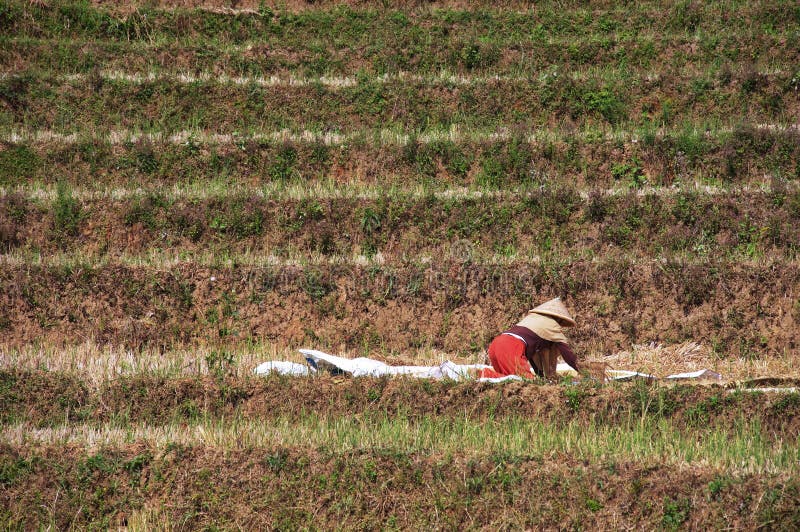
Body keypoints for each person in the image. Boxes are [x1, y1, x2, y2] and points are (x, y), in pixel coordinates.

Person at [479, 297, 581, 381]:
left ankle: (488, 375)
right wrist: (582, 371)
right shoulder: (552, 325)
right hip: (510, 347)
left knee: (507, 380)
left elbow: (533, 356)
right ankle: (486, 374)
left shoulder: (532, 319)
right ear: (559, 319)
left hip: (496, 344)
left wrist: (541, 377)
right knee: (524, 381)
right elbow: (568, 354)